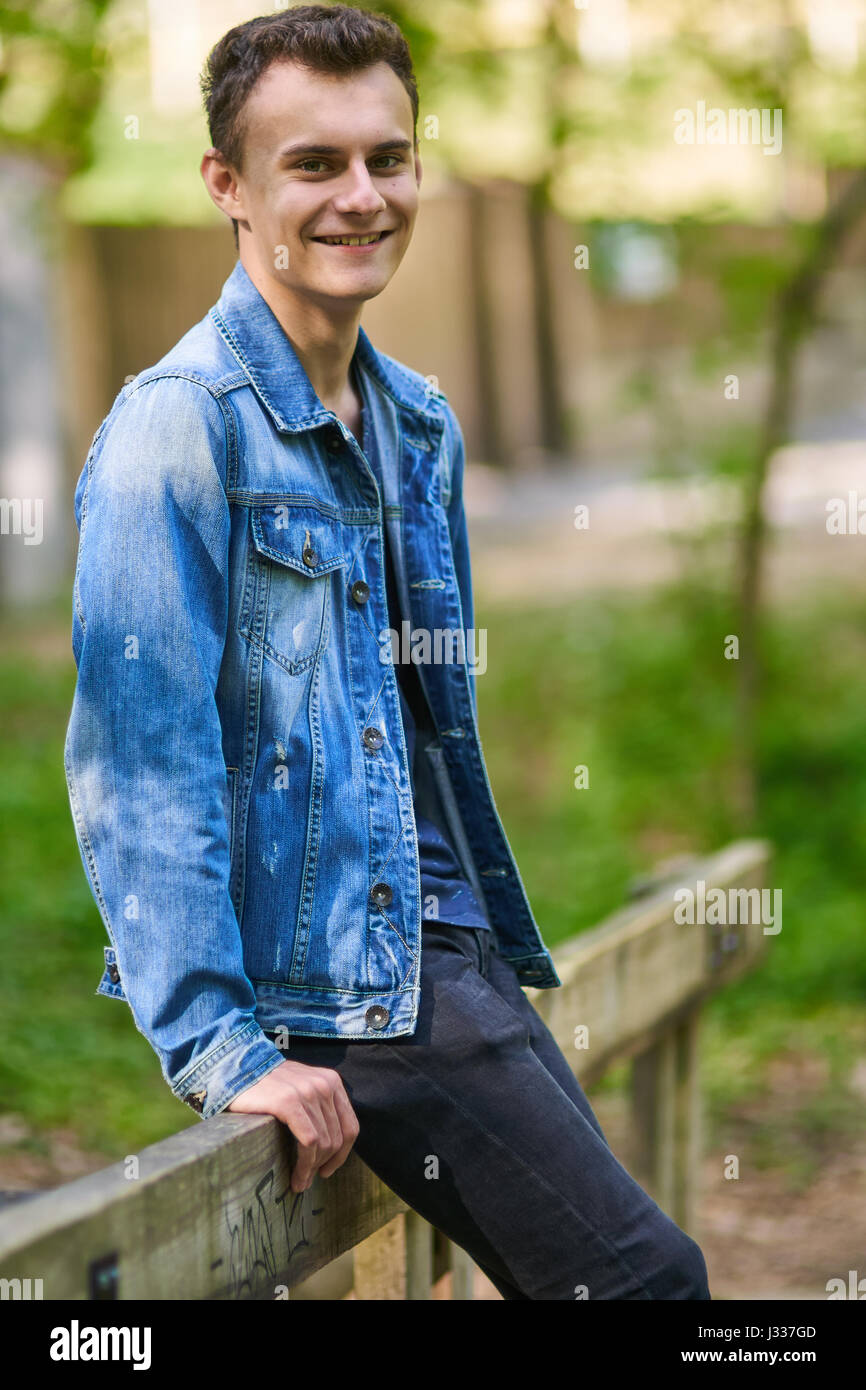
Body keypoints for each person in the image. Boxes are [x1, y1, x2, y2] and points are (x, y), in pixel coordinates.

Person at [64, 4, 710, 1300]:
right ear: (227, 185)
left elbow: (417, 733)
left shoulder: (417, 421)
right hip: (347, 997)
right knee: (650, 1284)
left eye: (387, 158)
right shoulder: (178, 431)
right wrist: (224, 1048)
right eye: (314, 163)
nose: (361, 195)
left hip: (447, 955)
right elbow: (141, 768)